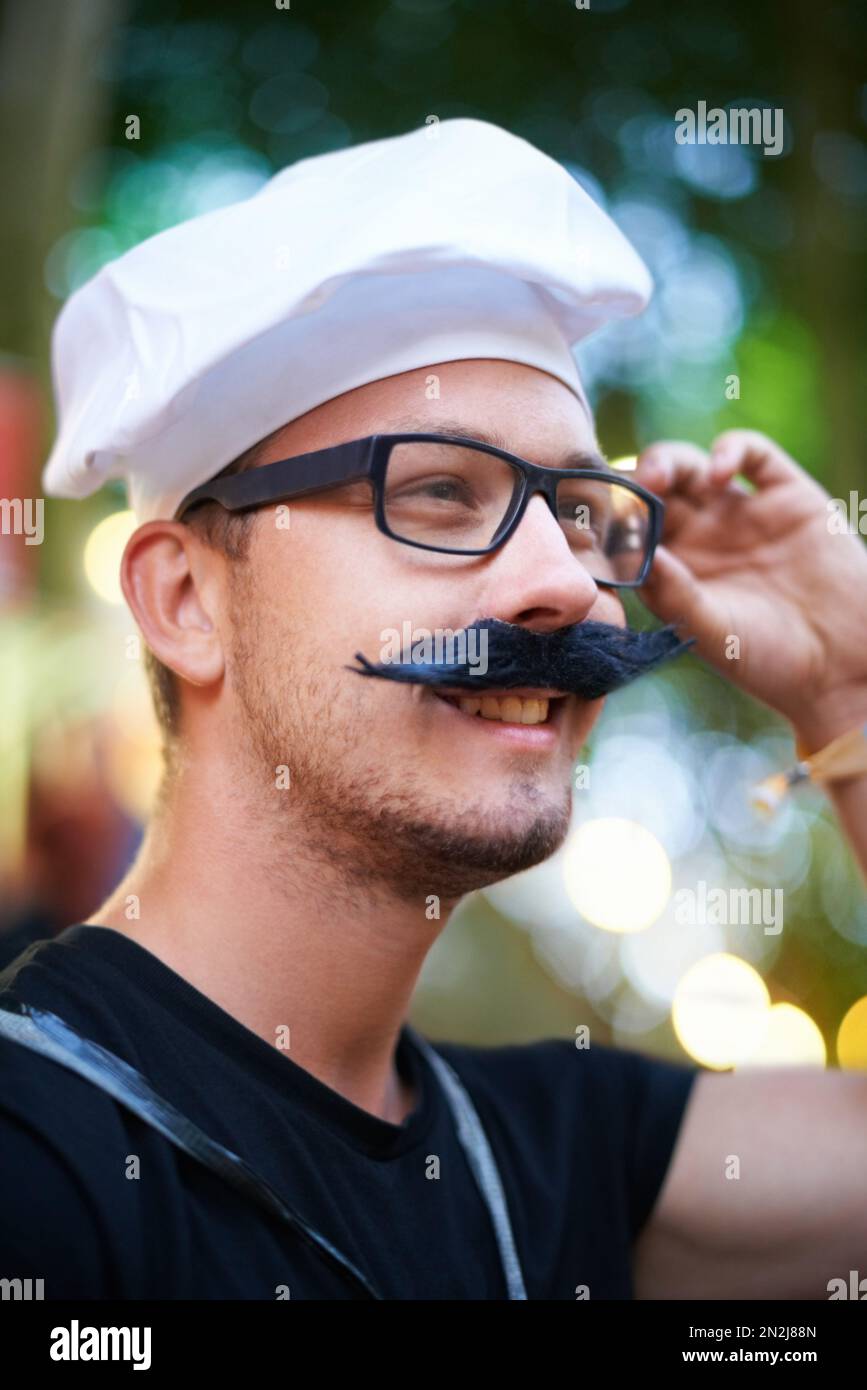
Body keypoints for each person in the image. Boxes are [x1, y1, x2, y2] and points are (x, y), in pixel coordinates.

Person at [2, 120, 866, 1301]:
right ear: (187, 599)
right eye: (440, 492)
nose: (566, 581)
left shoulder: (556, 1163)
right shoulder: (38, 1160)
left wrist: (847, 684)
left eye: (575, 508)